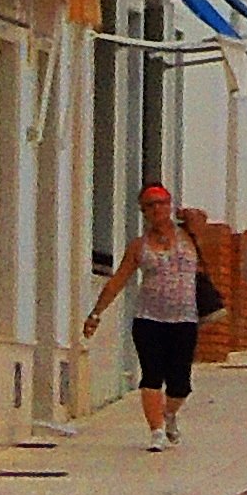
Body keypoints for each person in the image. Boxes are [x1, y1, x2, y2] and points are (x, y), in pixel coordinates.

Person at [80, 181, 207, 449]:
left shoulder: (189, 235)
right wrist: (95, 314)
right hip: (148, 319)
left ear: (169, 205)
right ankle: (156, 432)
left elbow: (201, 217)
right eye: (150, 205)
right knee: (151, 375)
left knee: (180, 384)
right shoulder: (139, 246)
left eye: (162, 203)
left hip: (184, 319)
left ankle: (169, 413)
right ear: (143, 211)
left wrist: (187, 214)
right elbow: (118, 280)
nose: (157, 209)